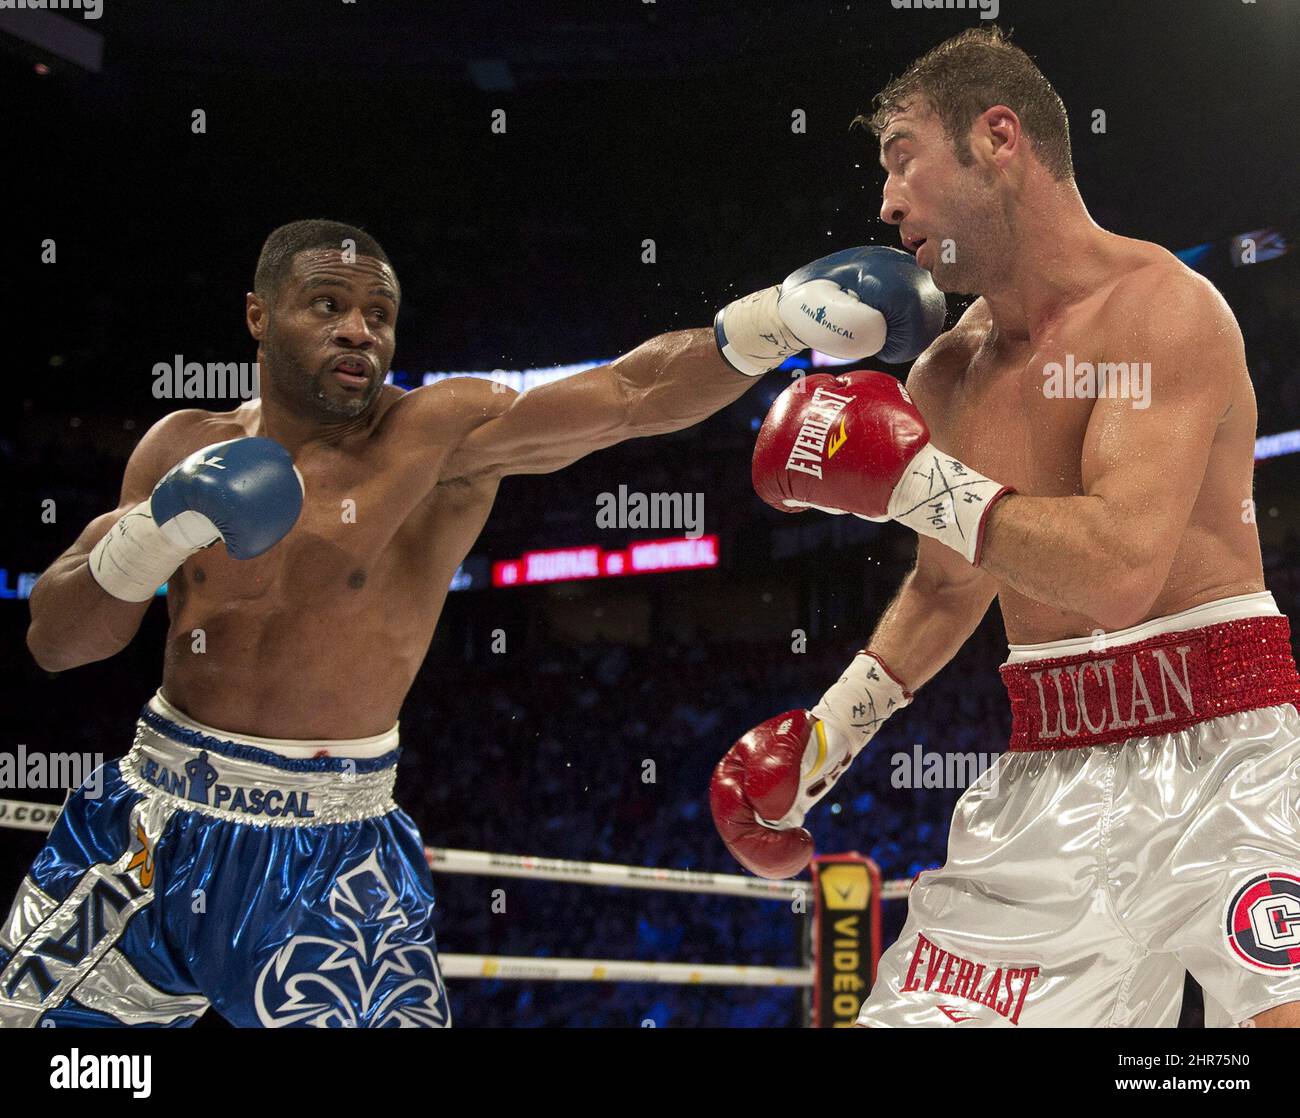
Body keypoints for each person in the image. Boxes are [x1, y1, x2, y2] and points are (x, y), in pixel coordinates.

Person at [0, 219, 940, 1027]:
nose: (357, 331)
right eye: (326, 305)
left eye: (377, 314)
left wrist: (769, 322)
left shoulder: (436, 438)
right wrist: (149, 537)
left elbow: (625, 397)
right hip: (144, 830)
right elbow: (57, 639)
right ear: (258, 316)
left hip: (328, 855)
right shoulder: (180, 446)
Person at [711, 26, 1300, 1028]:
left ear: (997, 138)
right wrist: (827, 738)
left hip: (1228, 750)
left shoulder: (1162, 311)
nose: (885, 201)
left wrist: (905, 476)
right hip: (1048, 770)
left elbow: (1117, 567)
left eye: (902, 157)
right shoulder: (944, 372)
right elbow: (949, 582)